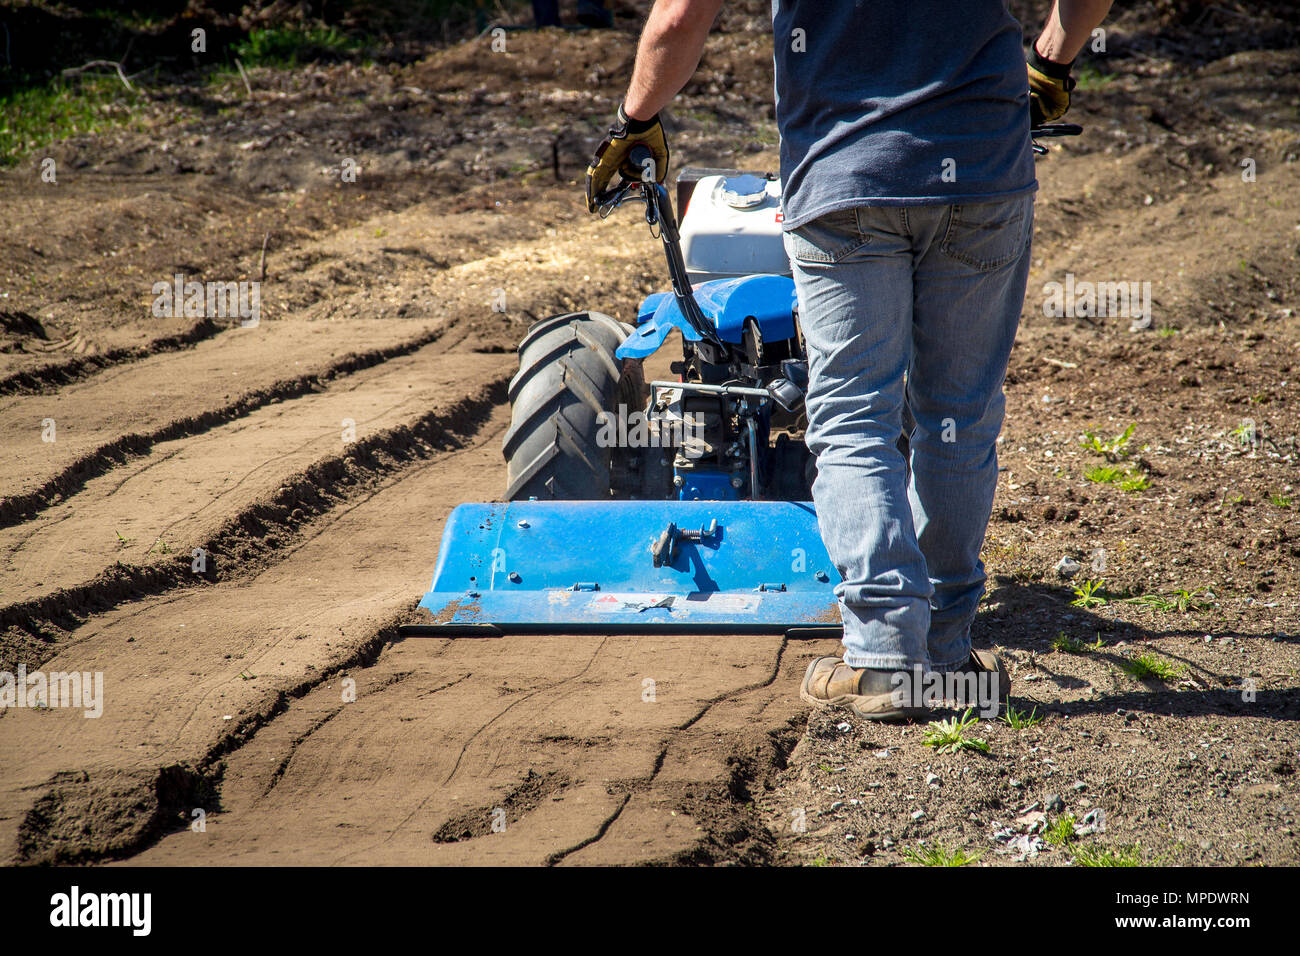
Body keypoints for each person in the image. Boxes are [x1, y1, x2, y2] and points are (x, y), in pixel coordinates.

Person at [585, 0, 1113, 720]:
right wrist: (1052, 58)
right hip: (983, 165)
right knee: (957, 416)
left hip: (844, 177)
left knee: (853, 418)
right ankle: (949, 653)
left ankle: (885, 654)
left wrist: (636, 120)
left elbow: (681, 16)